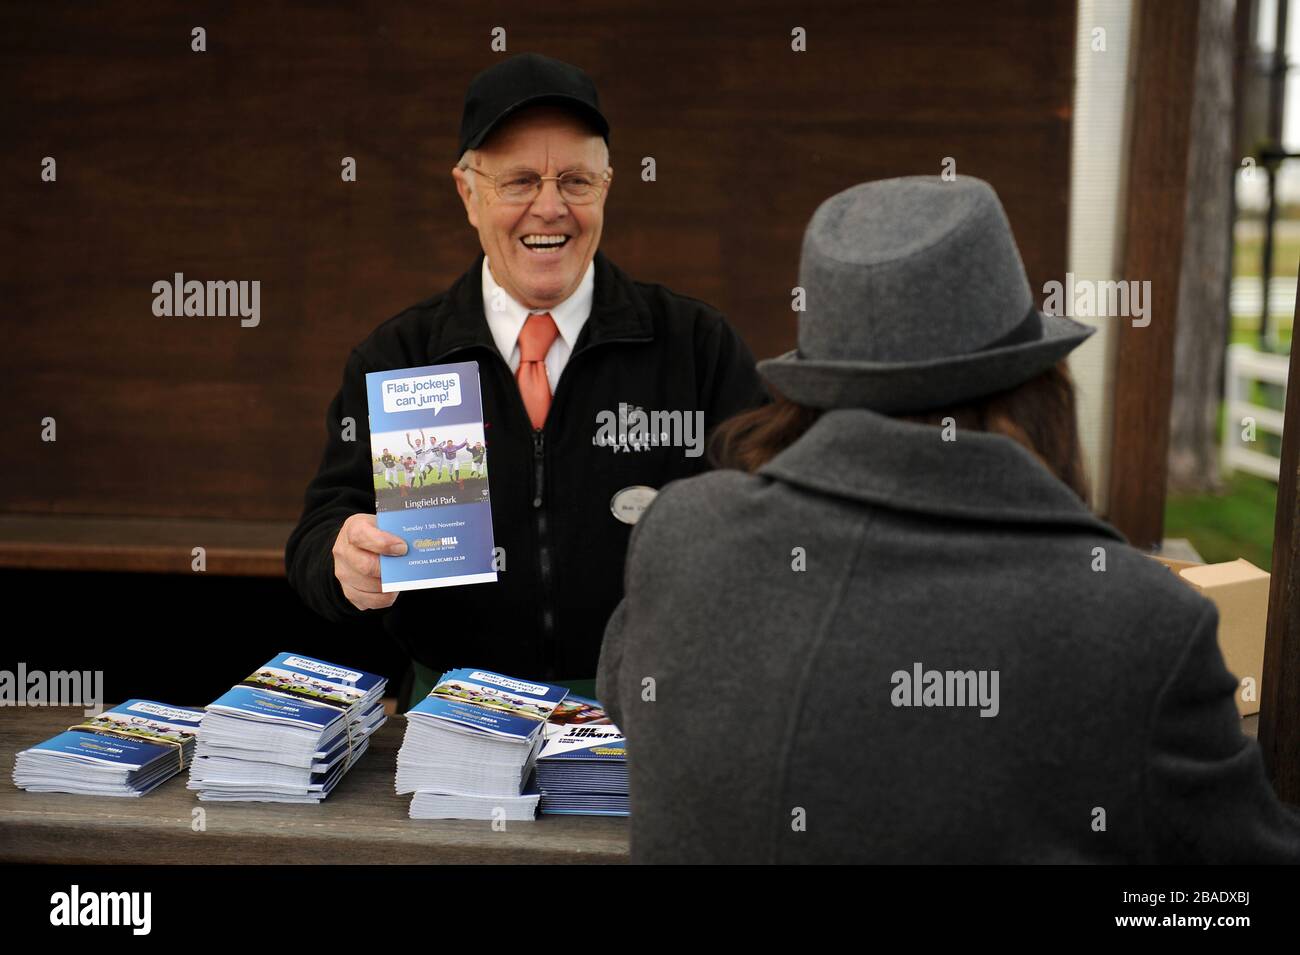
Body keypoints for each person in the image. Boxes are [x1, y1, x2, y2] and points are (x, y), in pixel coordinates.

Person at [596, 175, 1300, 863]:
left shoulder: (682, 537)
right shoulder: (1140, 624)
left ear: (808, 393)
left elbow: (643, 698)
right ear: (1038, 386)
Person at [285, 53, 768, 709]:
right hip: (455, 723)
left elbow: (776, 527)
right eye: (518, 182)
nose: (550, 208)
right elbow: (319, 535)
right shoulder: (401, 353)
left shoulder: (698, 347)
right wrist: (342, 561)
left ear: (607, 187)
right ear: (467, 193)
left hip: (654, 718)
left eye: (575, 180)